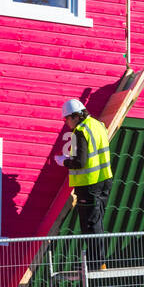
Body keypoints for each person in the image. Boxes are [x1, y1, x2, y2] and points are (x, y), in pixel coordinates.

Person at [55, 99, 113, 264]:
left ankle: (96, 262)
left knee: (90, 224)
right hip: (104, 180)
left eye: (66, 119)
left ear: (75, 116)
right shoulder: (98, 125)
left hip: (89, 185)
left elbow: (80, 162)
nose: (66, 123)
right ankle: (99, 260)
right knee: (98, 221)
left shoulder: (80, 131)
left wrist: (64, 161)